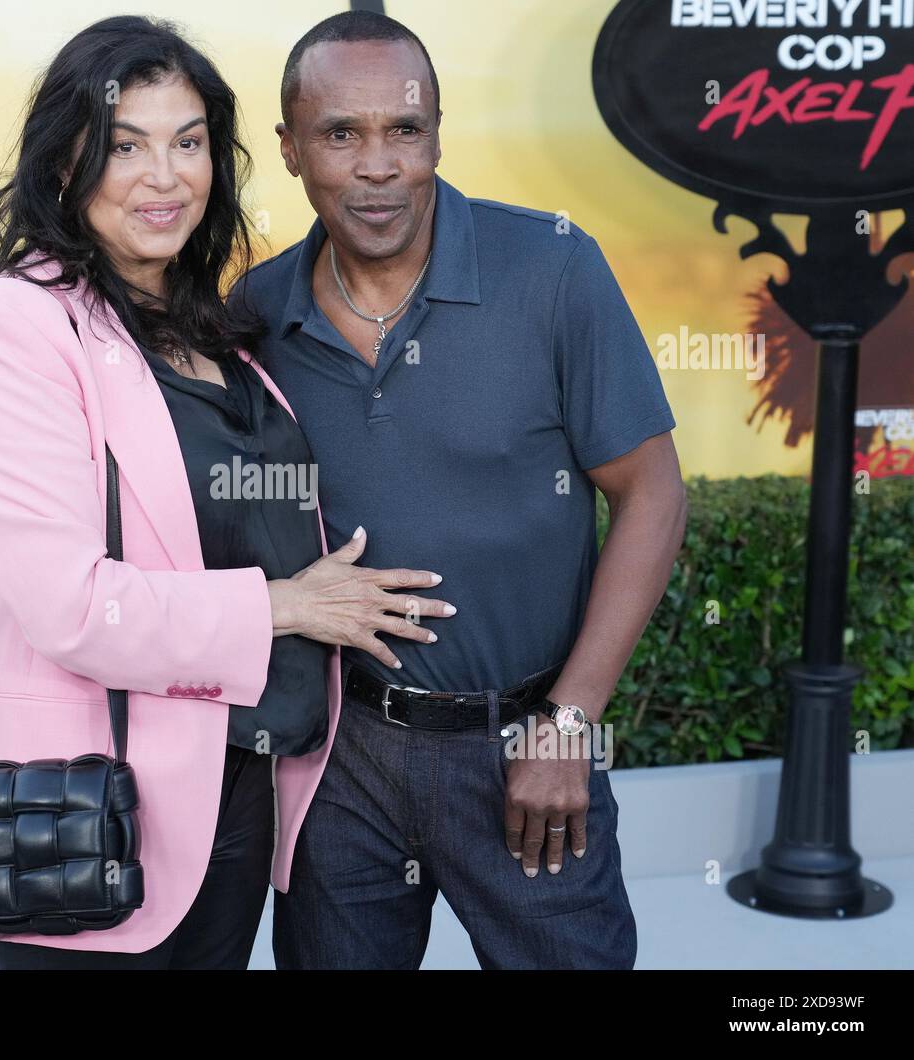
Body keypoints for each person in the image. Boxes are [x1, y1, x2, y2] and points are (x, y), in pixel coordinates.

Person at [0, 14, 455, 970]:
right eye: (125, 145)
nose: (164, 175)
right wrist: (288, 607)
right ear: (64, 162)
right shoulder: (17, 329)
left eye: (188, 142)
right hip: (91, 806)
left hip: (237, 783)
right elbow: (69, 603)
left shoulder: (207, 322)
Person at [232, 11, 687, 969]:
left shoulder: (554, 269)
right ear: (289, 149)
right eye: (340, 134)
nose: (378, 165)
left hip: (528, 746)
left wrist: (569, 726)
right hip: (340, 757)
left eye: (404, 129)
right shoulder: (255, 315)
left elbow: (651, 495)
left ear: (437, 132)